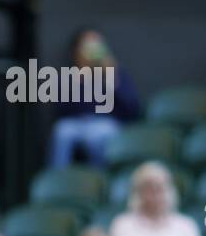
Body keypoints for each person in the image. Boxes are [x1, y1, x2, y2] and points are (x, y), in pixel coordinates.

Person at [47, 27, 142, 168]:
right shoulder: (69, 75)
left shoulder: (114, 72)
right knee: (62, 131)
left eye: (97, 45)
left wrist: (111, 77)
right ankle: (57, 181)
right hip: (76, 123)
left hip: (106, 122)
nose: (93, 50)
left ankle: (98, 182)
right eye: (88, 45)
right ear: (77, 50)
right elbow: (61, 110)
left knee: (97, 135)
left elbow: (132, 109)